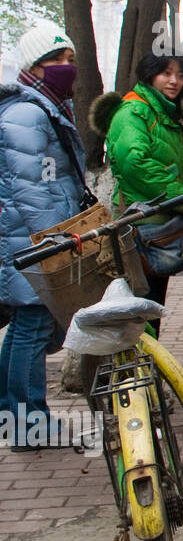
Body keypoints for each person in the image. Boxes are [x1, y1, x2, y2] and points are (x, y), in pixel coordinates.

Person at [0, 28, 87, 451]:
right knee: (32, 328)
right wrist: (59, 238)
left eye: (71, 58)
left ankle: (15, 418)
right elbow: (33, 186)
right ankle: (28, 424)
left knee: (23, 329)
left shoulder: (44, 105)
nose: (68, 68)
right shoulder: (28, 113)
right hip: (32, 238)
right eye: (59, 60)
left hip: (27, 236)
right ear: (35, 66)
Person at [93, 51, 183, 330]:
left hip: (162, 227)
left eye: (180, 75)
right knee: (140, 311)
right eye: (166, 74)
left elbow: (182, 170)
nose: (175, 81)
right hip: (140, 226)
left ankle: (148, 370)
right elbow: (136, 163)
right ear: (149, 76)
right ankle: (134, 371)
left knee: (152, 307)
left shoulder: (163, 114)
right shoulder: (133, 111)